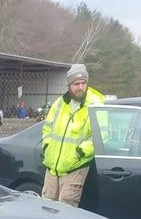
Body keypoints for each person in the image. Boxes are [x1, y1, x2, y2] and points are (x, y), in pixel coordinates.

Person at [41, 64, 106, 207]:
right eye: (76, 84)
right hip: (53, 167)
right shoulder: (60, 103)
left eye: (83, 83)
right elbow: (47, 128)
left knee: (66, 211)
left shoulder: (96, 105)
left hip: (75, 168)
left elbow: (102, 136)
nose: (80, 87)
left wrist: (82, 151)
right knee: (46, 207)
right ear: (69, 85)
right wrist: (47, 145)